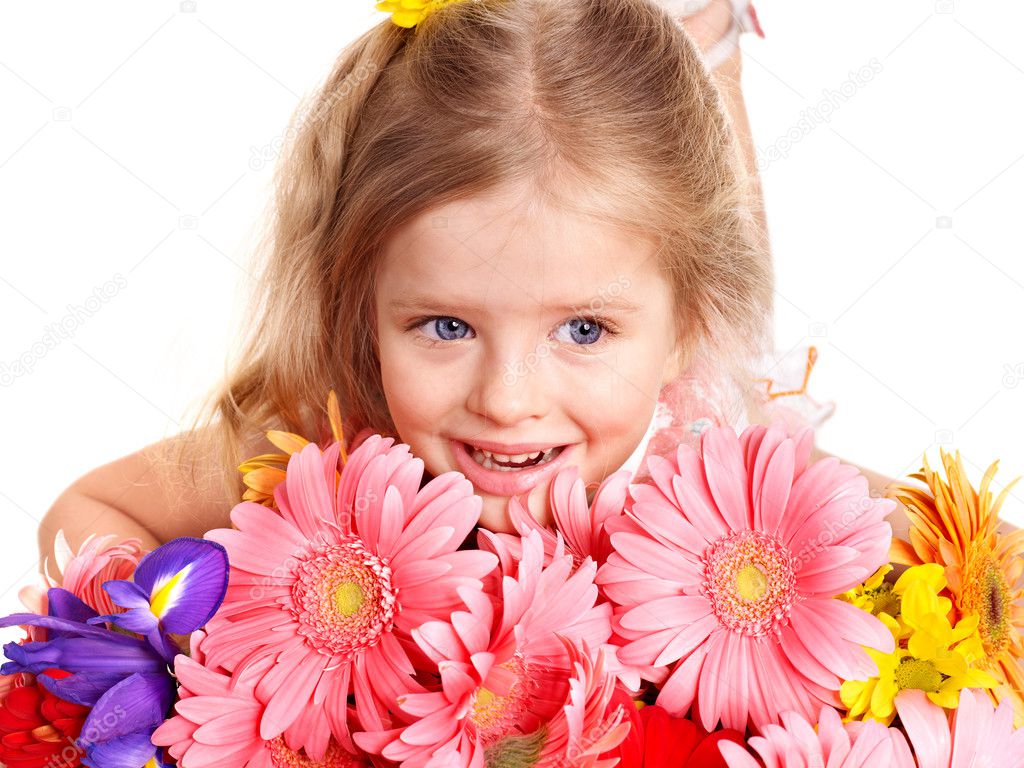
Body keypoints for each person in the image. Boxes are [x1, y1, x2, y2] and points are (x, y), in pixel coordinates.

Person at [33, 0, 993, 569]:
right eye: (445, 325)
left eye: (581, 330)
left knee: (737, 355)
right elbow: (83, 511)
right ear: (357, 300)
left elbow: (992, 564)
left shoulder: (725, 465)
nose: (506, 401)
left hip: (701, 385)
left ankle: (706, 44)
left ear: (673, 326)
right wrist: (165, 647)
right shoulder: (323, 434)